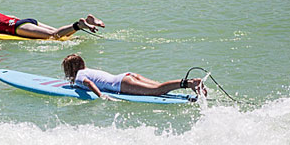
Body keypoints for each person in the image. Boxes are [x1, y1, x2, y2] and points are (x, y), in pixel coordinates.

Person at [61, 53, 206, 100]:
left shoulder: (80, 75)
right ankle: (190, 84)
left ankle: (190, 83)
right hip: (126, 75)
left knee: (157, 91)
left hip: (121, 84)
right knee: (158, 87)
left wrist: (101, 96)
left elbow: (88, 83)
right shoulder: (86, 70)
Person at [0, 3, 105, 39]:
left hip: (18, 27)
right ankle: (90, 20)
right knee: (62, 36)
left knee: (54, 36)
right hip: (26, 21)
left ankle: (79, 24)